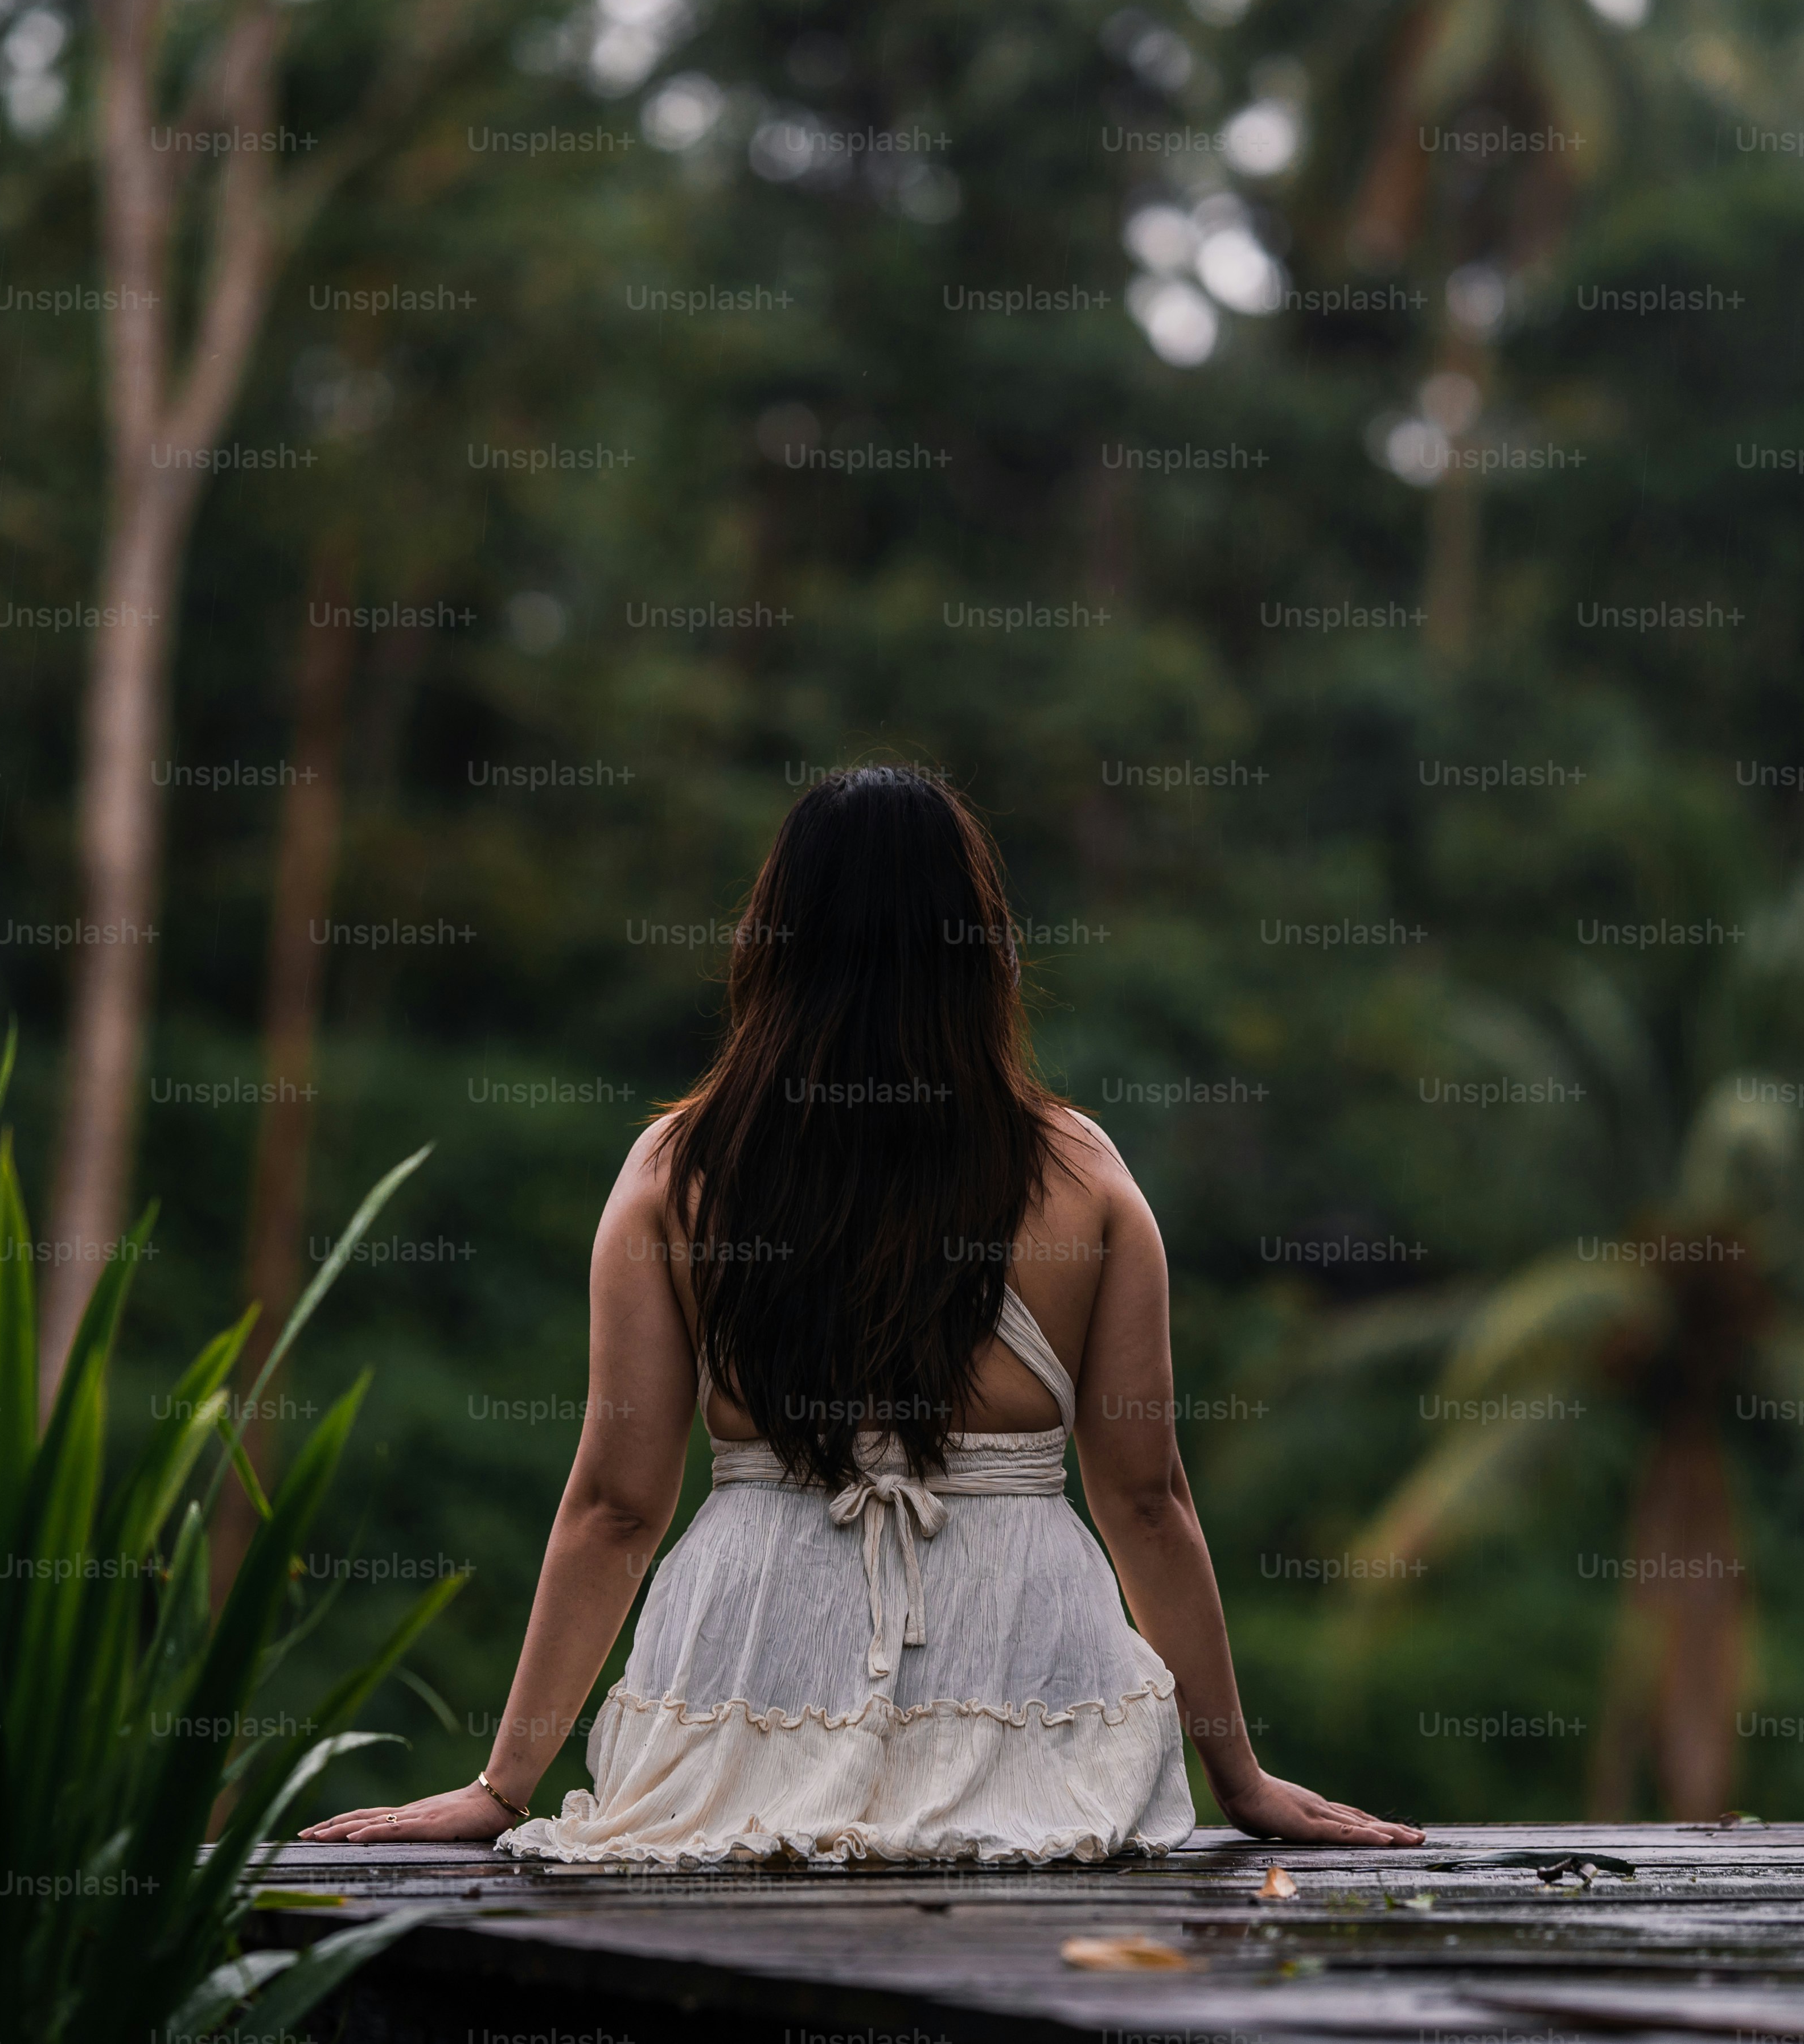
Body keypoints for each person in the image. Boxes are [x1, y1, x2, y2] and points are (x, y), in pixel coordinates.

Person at [307, 766, 1420, 1862]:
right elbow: (1144, 1498)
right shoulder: (1082, 1175)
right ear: (982, 951)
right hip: (1029, 1697)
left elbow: (614, 1508)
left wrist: (503, 1786)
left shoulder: (677, 1171)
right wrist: (1239, 1777)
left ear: (771, 942)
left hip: (749, 1691)